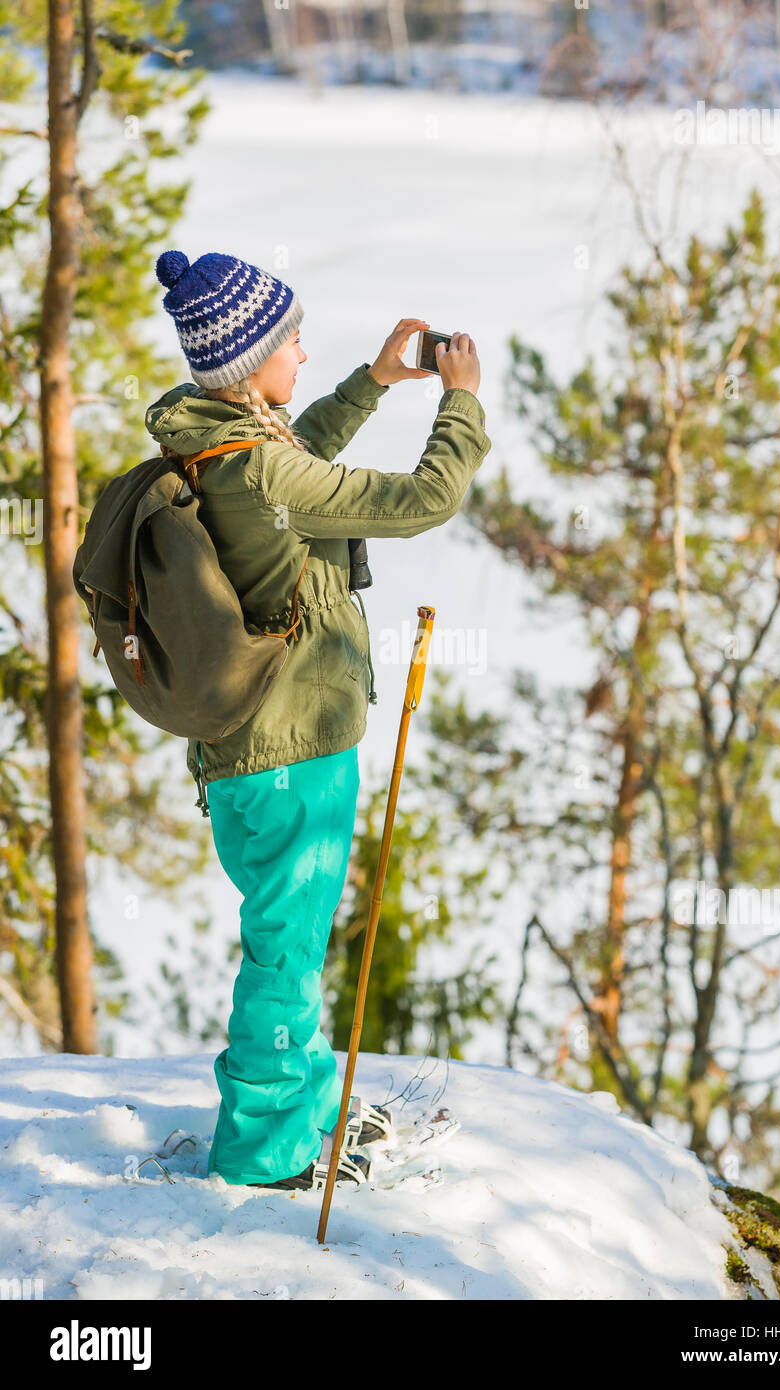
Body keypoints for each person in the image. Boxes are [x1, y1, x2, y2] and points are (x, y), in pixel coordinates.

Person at [146, 249, 492, 1193]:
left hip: (257, 749)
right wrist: (459, 400)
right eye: (291, 341)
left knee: (287, 935)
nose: (302, 353)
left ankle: (291, 1108)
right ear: (248, 360)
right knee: (288, 950)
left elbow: (294, 465)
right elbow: (423, 500)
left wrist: (374, 381)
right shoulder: (255, 467)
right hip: (289, 751)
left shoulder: (220, 442)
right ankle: (264, 1153)